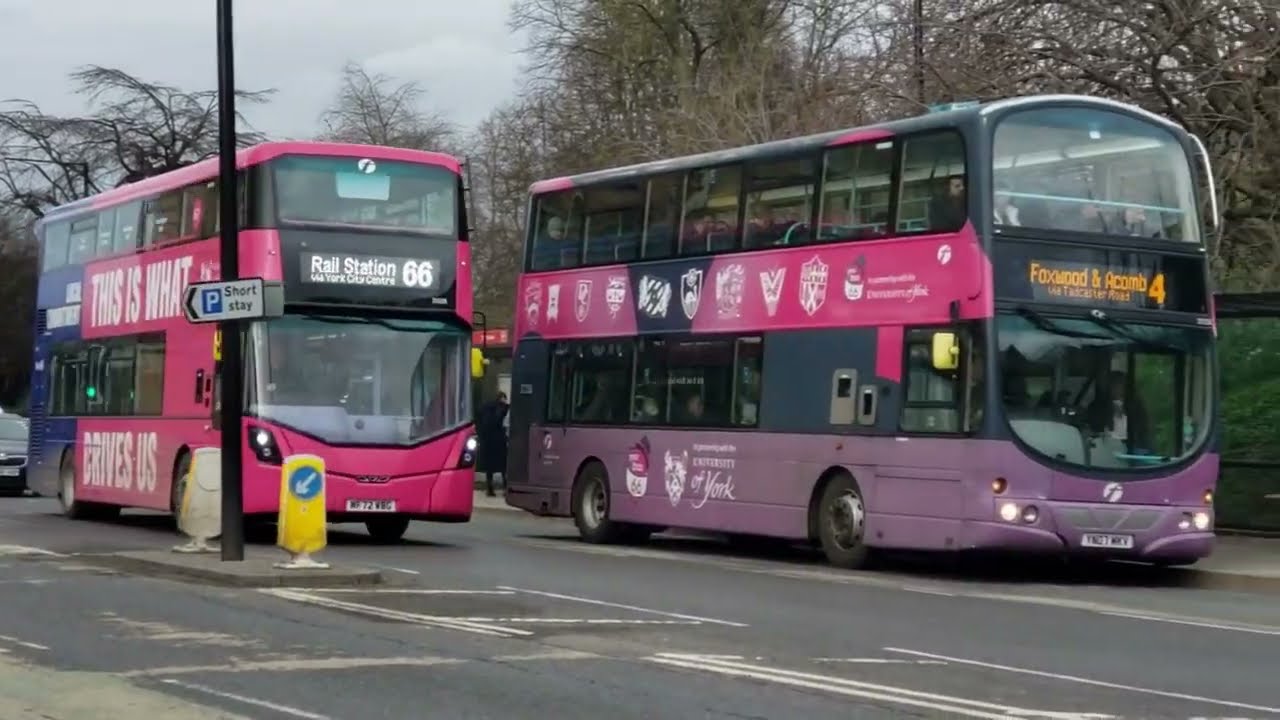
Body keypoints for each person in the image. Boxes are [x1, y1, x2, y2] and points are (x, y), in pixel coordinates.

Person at [475, 392, 509, 497]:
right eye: (505, 398)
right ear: (501, 398)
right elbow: (499, 419)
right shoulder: (501, 407)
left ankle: (489, 488)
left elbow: (478, 421)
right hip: (498, 440)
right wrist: (506, 407)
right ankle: (505, 487)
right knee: (504, 464)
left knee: (489, 466)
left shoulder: (485, 407)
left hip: (486, 440)